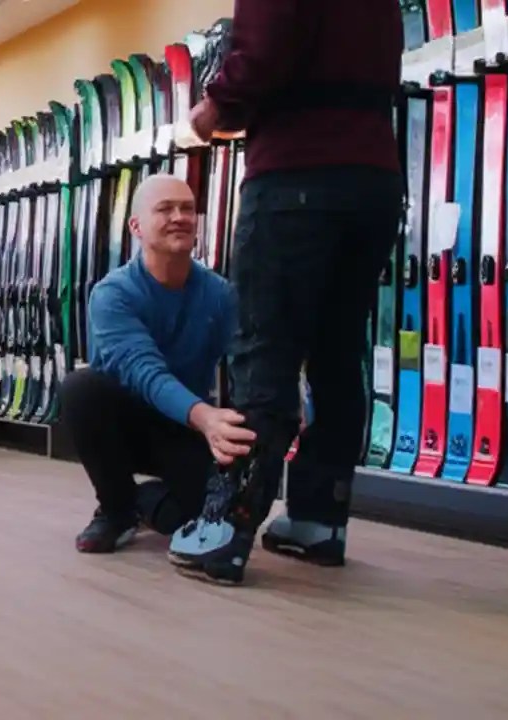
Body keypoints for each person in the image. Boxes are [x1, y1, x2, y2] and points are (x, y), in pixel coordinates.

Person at [167, 0, 406, 584]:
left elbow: (265, 45)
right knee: (337, 349)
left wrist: (213, 106)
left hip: (297, 177)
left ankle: (227, 528)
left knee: (263, 351)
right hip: (374, 181)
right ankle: (319, 521)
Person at [60, 173, 251, 554]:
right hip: (123, 425)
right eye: (165, 209)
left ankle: (141, 503)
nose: (179, 216)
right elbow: (144, 371)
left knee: (208, 514)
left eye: (187, 208)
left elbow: (248, 356)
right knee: (80, 389)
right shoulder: (112, 294)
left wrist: (287, 398)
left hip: (181, 427)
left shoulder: (219, 294)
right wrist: (206, 417)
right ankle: (115, 509)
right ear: (136, 226)